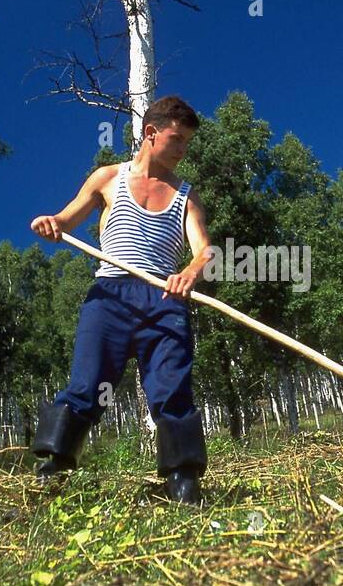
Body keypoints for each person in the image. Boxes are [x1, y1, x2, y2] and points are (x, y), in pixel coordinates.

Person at [29, 96, 214, 505]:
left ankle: (183, 481)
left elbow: (206, 251)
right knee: (89, 385)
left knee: (171, 388)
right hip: (110, 296)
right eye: (177, 139)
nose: (183, 150)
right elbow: (66, 219)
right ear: (151, 133)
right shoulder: (109, 178)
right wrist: (51, 224)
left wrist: (189, 273)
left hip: (164, 301)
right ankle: (52, 472)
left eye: (187, 143)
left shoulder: (186, 195)